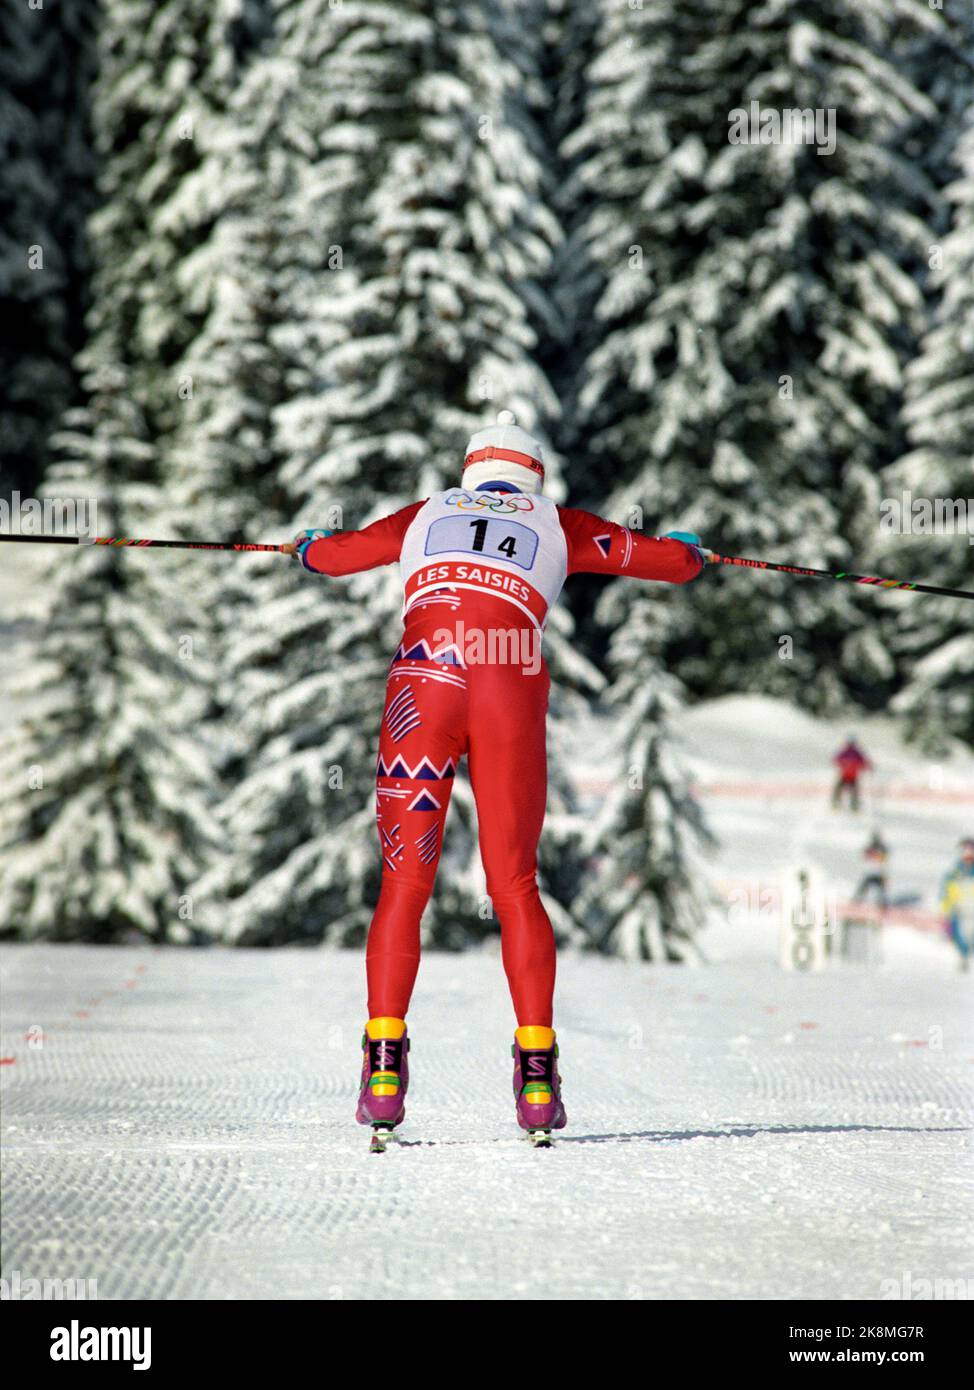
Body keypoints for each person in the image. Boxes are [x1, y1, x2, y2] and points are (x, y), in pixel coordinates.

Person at [287, 410, 704, 1145]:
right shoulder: (557, 521)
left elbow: (334, 557)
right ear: (533, 474)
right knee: (513, 887)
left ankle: (384, 1070)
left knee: (403, 885)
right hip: (508, 676)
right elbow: (663, 562)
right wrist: (691, 554)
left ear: (471, 470)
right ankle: (537, 1080)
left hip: (428, 678)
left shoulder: (430, 510)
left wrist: (310, 548)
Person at [940, 837, 974, 972]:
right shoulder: (954, 874)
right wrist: (945, 914)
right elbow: (947, 896)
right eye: (965, 851)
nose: (968, 855)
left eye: (971, 851)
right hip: (960, 912)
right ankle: (963, 958)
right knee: (959, 937)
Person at [831, 735, 872, 812]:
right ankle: (852, 804)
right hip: (848, 775)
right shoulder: (854, 752)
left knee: (841, 789)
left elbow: (835, 760)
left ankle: (839, 802)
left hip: (848, 775)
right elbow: (864, 762)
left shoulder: (851, 752)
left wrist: (843, 763)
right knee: (850, 790)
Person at [854, 832, 889, 911]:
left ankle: (883, 907)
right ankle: (856, 904)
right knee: (863, 889)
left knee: (881, 892)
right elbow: (864, 857)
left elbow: (884, 860)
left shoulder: (882, 849)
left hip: (878, 873)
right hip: (871, 872)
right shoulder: (870, 848)